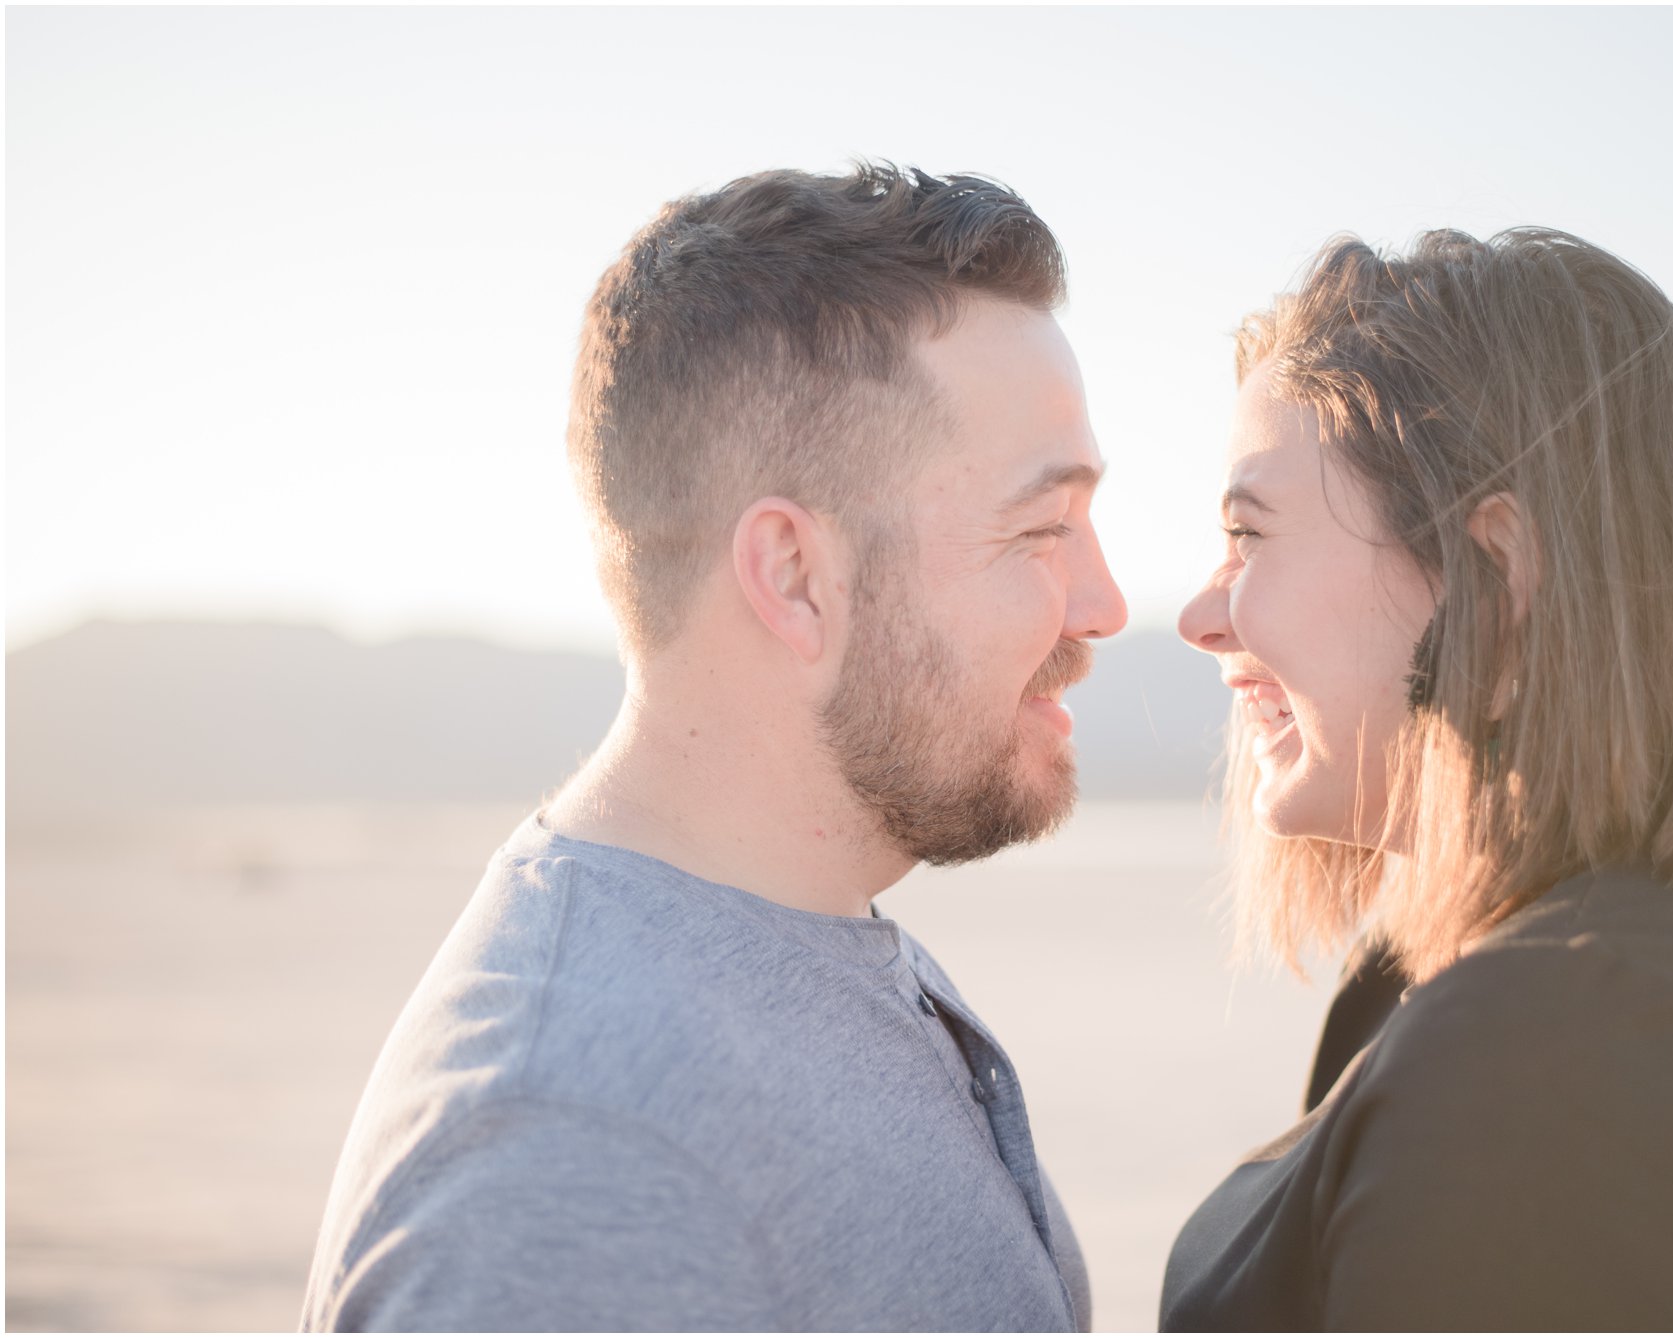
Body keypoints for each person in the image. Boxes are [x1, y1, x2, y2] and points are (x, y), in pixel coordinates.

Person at [299, 163, 1124, 1331]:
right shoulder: (567, 1159)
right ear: (794, 576)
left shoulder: (811, 941)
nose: (1103, 604)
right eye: (1042, 530)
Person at [1161, 228, 1673, 1330]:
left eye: (1248, 534)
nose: (1200, 617)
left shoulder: (1555, 1059)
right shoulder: (1594, 974)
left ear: (1488, 580)